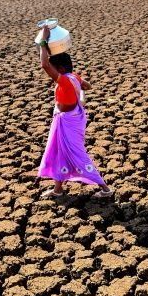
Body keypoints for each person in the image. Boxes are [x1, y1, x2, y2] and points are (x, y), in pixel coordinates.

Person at [35, 25, 113, 199]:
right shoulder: (73, 77)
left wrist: (43, 41)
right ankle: (58, 189)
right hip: (69, 119)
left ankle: (105, 189)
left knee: (77, 155)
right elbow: (87, 86)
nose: (52, 72)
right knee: (58, 152)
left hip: (68, 122)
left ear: (61, 70)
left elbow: (44, 64)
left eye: (55, 70)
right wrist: (81, 97)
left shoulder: (64, 81)